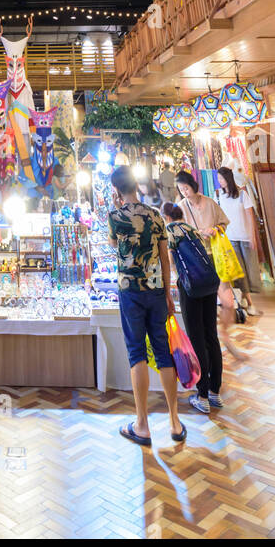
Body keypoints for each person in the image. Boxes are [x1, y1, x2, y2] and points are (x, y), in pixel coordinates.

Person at [108, 164, 186, 448]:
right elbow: (166, 258)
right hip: (156, 291)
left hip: (129, 292)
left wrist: (117, 206)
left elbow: (114, 246)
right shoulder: (155, 216)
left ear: (116, 190)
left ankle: (142, 424)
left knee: (137, 354)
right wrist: (168, 293)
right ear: (136, 185)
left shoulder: (114, 217)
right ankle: (175, 422)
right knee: (163, 352)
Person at [163, 202, 223, 416]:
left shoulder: (169, 230)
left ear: (167, 217)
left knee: (196, 337)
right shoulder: (191, 228)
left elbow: (169, 259)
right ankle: (215, 390)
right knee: (211, 336)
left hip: (191, 287)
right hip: (209, 282)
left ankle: (203, 396)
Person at [176, 170, 244, 359]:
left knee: (228, 303)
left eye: (186, 188)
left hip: (216, 258)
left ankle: (225, 336)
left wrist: (214, 230)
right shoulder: (181, 207)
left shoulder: (210, 203)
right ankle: (210, 347)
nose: (184, 193)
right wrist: (197, 234)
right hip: (197, 262)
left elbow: (223, 223)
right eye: (181, 190)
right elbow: (179, 232)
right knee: (205, 306)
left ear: (193, 185)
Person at [217, 165, 262, 315]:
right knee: (239, 272)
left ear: (228, 178)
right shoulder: (218, 196)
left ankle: (244, 298)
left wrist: (252, 237)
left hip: (245, 237)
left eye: (222, 179)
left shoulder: (242, 195)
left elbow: (250, 217)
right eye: (218, 179)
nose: (220, 182)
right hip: (230, 238)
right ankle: (250, 303)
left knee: (251, 270)